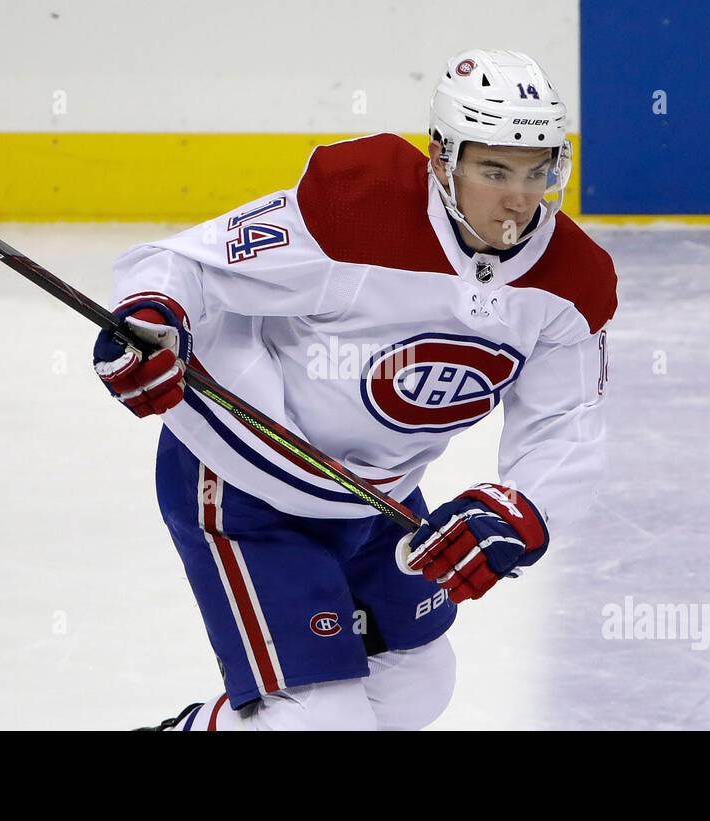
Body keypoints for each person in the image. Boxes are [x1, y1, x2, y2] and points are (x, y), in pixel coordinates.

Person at [92, 48, 617, 730]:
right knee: (319, 718)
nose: (520, 197)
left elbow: (568, 424)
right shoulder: (357, 208)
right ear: (441, 159)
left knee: (418, 680)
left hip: (376, 497)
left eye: (535, 170)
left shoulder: (569, 282)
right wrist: (150, 318)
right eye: (494, 170)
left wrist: (521, 509)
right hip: (242, 483)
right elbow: (179, 264)